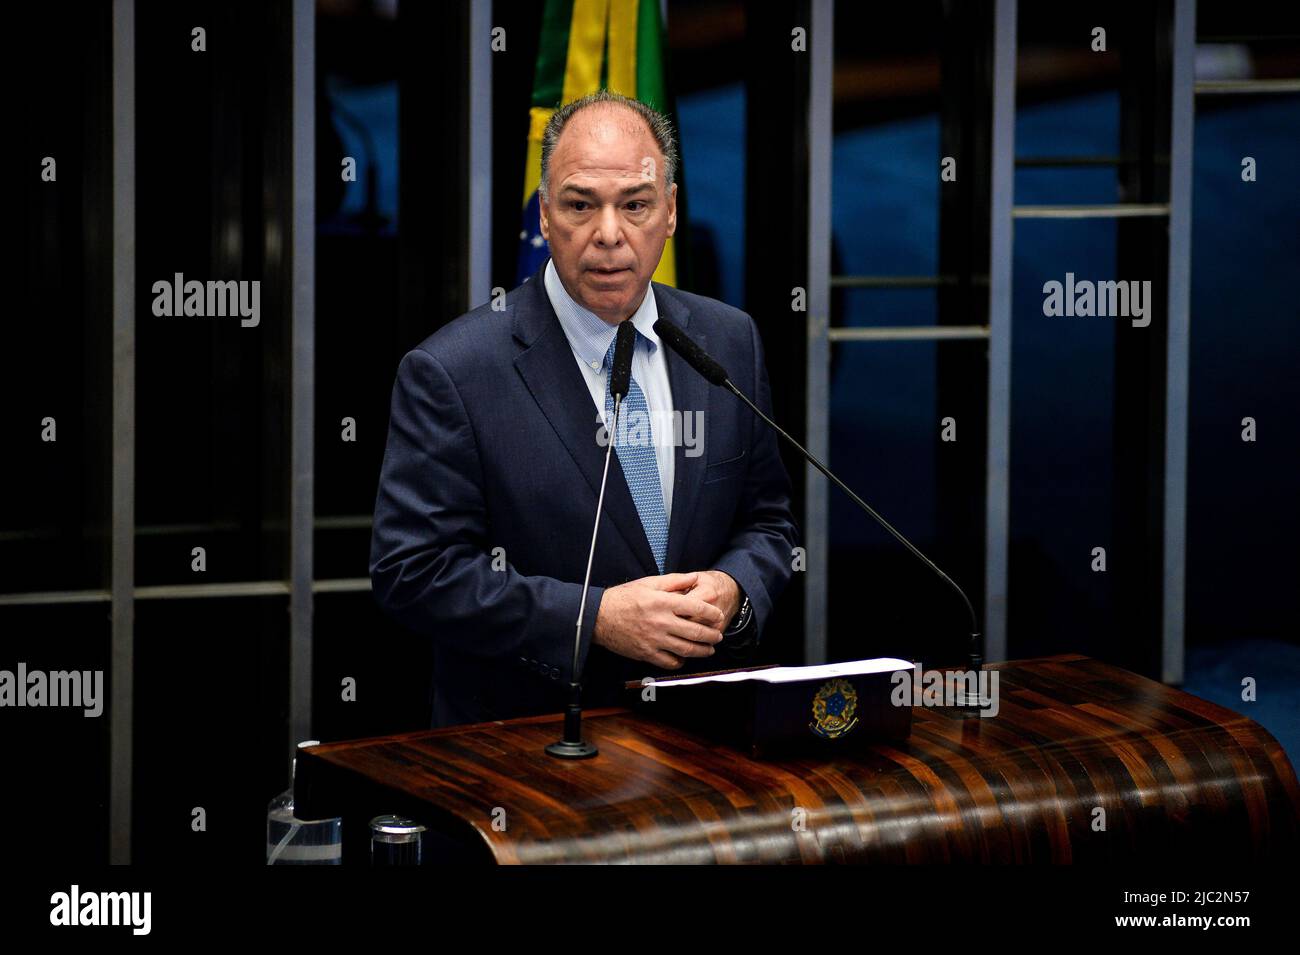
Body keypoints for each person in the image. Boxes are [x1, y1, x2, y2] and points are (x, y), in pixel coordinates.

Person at [370, 89, 799, 728]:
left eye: (635, 205)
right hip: (528, 751)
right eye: (580, 205)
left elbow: (768, 524)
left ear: (671, 211)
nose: (609, 234)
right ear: (545, 216)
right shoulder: (454, 371)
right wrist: (593, 618)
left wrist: (734, 590)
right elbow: (414, 573)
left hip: (704, 738)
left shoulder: (730, 341)